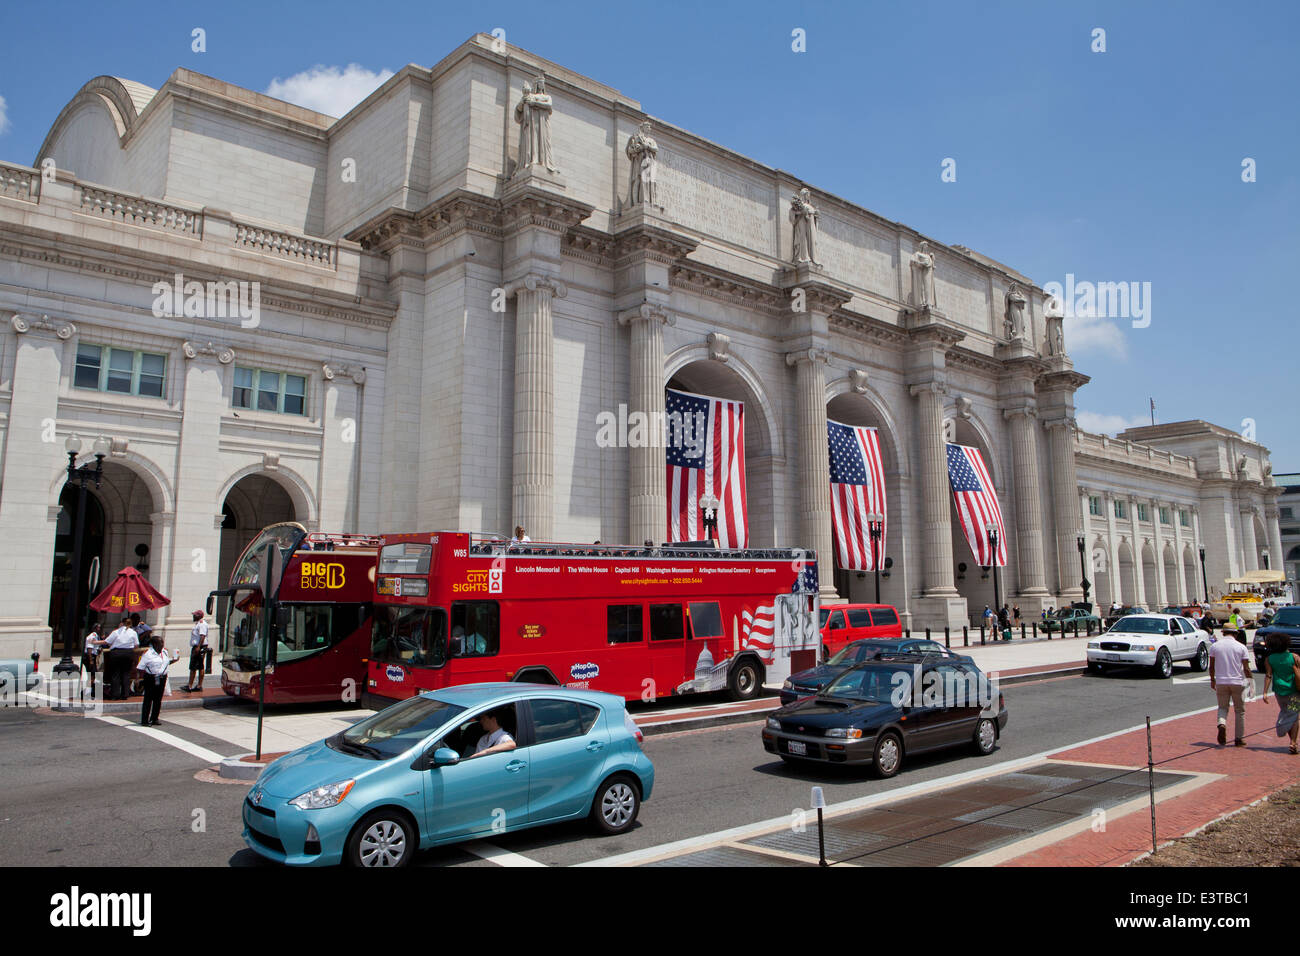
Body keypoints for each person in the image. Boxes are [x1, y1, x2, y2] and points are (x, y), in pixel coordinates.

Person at [1209, 627, 1253, 746]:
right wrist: (1250, 683)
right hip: (1237, 681)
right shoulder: (1241, 647)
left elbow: (1211, 666)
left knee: (1222, 707)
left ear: (1223, 633)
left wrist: (1212, 680)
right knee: (1239, 710)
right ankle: (1239, 738)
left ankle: (1221, 723)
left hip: (1221, 681)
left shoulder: (1215, 646)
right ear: (1236, 634)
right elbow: (1246, 668)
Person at [1262, 632, 1300, 755]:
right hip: (1295, 691)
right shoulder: (1294, 657)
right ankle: (1293, 742)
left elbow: (1268, 675)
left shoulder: (1270, 659)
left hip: (1279, 692)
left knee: (1286, 712)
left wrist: (1265, 692)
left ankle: (1291, 740)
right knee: (1294, 715)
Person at [102, 616, 139, 700]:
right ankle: (125, 694)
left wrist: (94, 642)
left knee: (116, 674)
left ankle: (115, 694)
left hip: (116, 653)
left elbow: (107, 641)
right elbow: (136, 644)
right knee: (126, 674)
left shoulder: (116, 632)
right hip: (128, 653)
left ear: (122, 623)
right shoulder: (133, 632)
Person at [136, 636, 170, 726]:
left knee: (158, 699)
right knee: (148, 699)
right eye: (160, 643)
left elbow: (165, 663)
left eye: (162, 642)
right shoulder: (148, 654)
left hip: (162, 677)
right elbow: (140, 667)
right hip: (151, 678)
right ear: (154, 644)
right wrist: (138, 680)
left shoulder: (165, 652)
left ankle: (155, 718)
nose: (162, 644)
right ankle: (145, 720)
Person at [183, 610, 208, 692]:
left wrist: (198, 647)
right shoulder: (198, 624)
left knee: (194, 667)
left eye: (195, 615)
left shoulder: (202, 624)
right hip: (198, 646)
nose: (193, 616)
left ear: (199, 616)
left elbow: (202, 636)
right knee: (198, 666)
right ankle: (197, 685)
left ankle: (190, 686)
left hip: (199, 647)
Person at [81, 622, 106, 699]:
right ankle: (86, 692)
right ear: (94, 628)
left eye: (100, 627)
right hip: (89, 657)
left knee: (92, 675)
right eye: (98, 628)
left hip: (92, 656)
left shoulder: (97, 636)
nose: (99, 629)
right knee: (93, 674)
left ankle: (89, 691)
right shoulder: (93, 636)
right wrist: (91, 659)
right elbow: (89, 648)